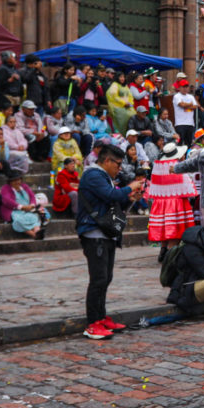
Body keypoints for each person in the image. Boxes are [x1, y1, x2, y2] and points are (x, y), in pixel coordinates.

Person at [76, 140, 146, 339]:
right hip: (94, 233)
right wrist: (130, 187)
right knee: (98, 279)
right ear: (107, 161)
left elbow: (113, 201)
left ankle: (101, 317)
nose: (119, 168)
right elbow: (109, 195)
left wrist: (130, 198)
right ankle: (92, 323)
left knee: (106, 278)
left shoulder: (104, 177)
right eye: (118, 164)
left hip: (105, 233)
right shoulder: (93, 175)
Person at [145, 144, 197, 254]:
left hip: (160, 202)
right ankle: (170, 254)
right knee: (175, 231)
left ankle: (163, 250)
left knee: (165, 228)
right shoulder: (176, 168)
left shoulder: (158, 166)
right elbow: (188, 187)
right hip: (176, 203)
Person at [0, 174, 47, 238]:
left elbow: (32, 196)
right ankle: (34, 235)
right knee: (19, 221)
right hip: (14, 211)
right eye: (14, 181)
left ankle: (37, 231)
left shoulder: (24, 186)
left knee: (34, 217)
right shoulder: (5, 188)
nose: (17, 182)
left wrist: (32, 205)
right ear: (10, 182)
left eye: (18, 180)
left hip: (27, 210)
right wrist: (21, 207)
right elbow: (7, 200)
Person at [171, 76, 198, 144]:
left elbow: (195, 106)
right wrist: (190, 104)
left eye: (186, 86)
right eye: (183, 87)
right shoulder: (177, 96)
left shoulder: (191, 96)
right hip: (180, 124)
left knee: (188, 143)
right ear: (179, 87)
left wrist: (186, 105)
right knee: (180, 143)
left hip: (190, 123)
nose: (185, 88)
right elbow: (181, 105)